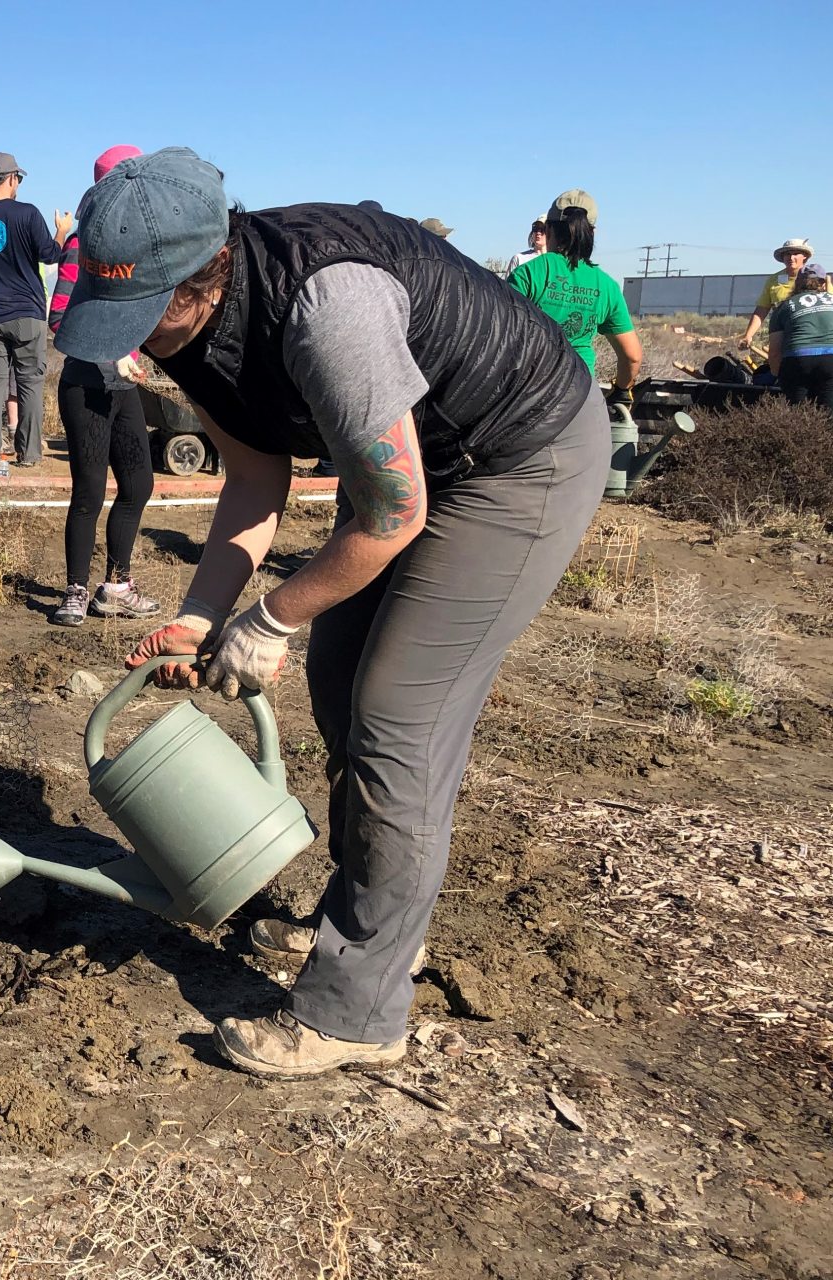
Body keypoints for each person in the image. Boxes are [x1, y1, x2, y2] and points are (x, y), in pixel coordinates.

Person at [57, 148, 606, 1080]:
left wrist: (269, 620)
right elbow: (255, 474)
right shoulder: (189, 329)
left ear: (205, 274)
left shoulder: (328, 307)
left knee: (398, 717)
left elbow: (394, 513)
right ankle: (366, 922)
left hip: (518, 459)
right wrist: (203, 612)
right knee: (340, 677)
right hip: (415, 466)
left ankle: (357, 1011)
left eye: (147, 310)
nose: (135, 338)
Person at [47, 144, 161, 627]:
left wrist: (137, 351)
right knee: (89, 491)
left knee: (138, 484)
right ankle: (74, 590)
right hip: (86, 385)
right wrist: (112, 351)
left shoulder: (139, 247)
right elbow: (58, 317)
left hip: (122, 387)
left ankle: (115, 586)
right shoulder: (81, 244)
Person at [0, 152, 72, 467]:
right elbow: (50, 255)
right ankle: (29, 454)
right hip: (27, 313)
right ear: (11, 179)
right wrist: (62, 230)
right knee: (30, 384)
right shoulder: (27, 213)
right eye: (18, 179)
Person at [508, 190, 642, 411]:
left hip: (528, 399)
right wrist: (621, 391)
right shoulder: (606, 285)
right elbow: (632, 357)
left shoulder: (528, 274)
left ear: (549, 229)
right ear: (592, 232)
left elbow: (503, 340)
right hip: (580, 399)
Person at [767, 263, 833, 437]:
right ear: (823, 283)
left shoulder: (784, 307)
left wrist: (780, 375)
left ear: (797, 283)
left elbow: (775, 351)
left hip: (798, 359)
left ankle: (801, 452)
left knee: (800, 421)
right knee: (832, 419)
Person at [738, 238, 814, 351]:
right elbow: (762, 310)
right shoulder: (774, 279)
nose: (791, 257)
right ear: (783, 257)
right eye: (787, 254)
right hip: (781, 332)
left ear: (805, 256)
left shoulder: (815, 278)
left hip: (810, 333)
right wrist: (748, 335)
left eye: (796, 253)